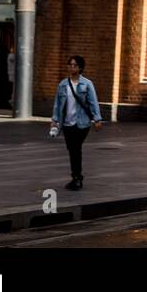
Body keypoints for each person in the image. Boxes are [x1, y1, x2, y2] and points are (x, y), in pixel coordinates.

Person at [50, 55, 103, 190]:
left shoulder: (87, 84)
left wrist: (97, 119)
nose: (72, 67)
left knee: (75, 149)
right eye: (70, 65)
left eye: (75, 65)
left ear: (80, 68)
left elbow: (93, 102)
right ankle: (76, 177)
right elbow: (57, 104)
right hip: (67, 123)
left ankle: (77, 178)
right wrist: (54, 121)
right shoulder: (63, 85)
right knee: (72, 150)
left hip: (82, 123)